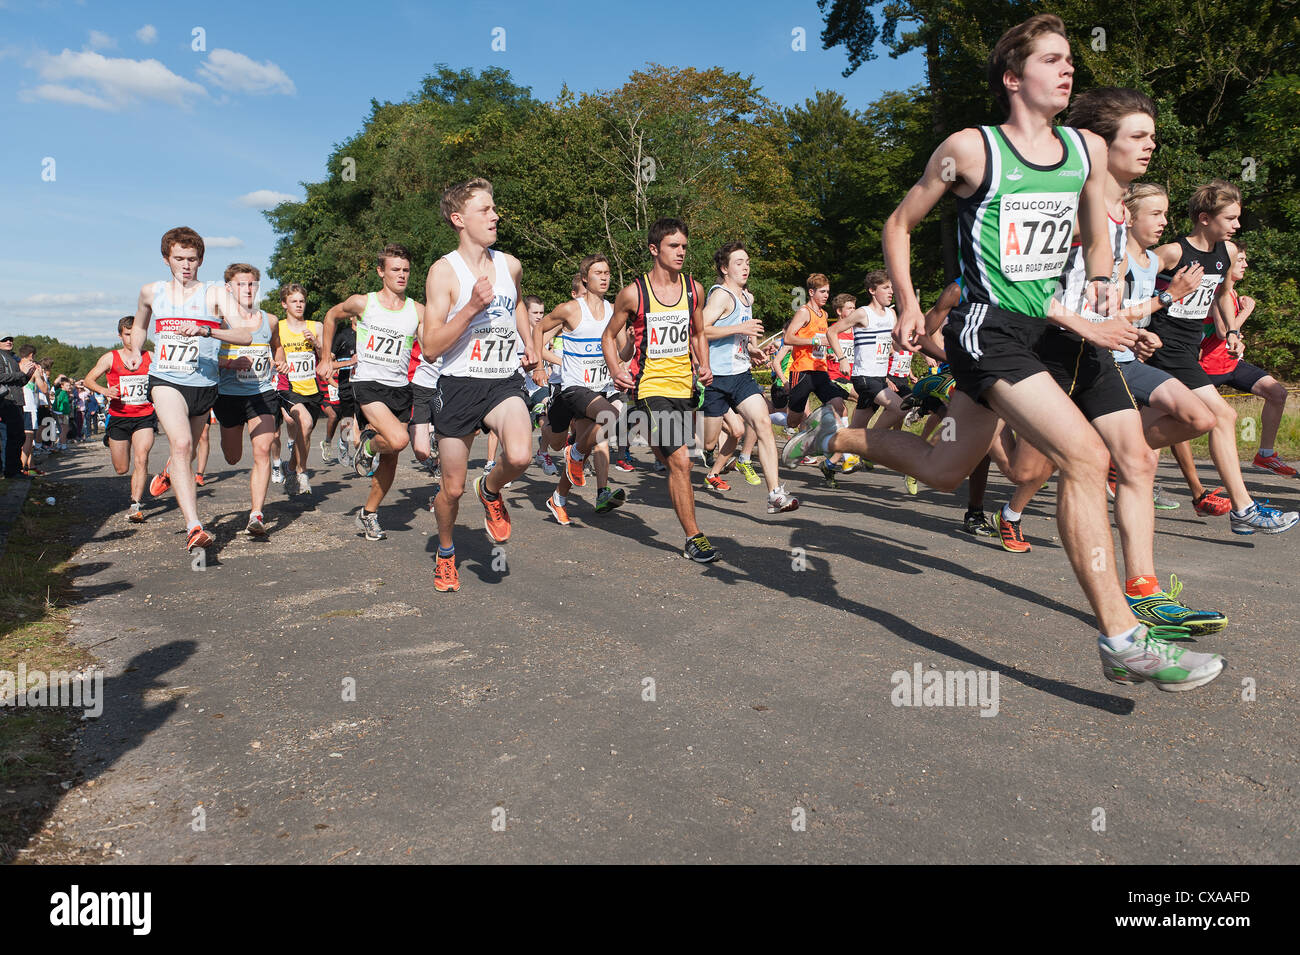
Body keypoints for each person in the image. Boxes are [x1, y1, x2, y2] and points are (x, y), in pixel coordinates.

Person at [786, 14, 1224, 690]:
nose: (1068, 68)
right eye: (1052, 59)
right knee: (1086, 457)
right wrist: (909, 304)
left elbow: (1096, 227)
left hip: (1052, 333)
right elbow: (899, 223)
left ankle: (834, 436)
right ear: (1013, 78)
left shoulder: (1084, 148)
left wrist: (1101, 282)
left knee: (944, 467)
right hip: (989, 330)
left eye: (1071, 58)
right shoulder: (971, 149)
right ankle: (1122, 639)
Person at [1144, 180, 1296, 533]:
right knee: (1224, 416)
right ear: (1204, 218)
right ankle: (1243, 509)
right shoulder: (1171, 253)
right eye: (1230, 218)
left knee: (1140, 428)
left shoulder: (1226, 252)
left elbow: (1224, 293)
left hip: (1189, 349)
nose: (1237, 226)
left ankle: (1103, 452)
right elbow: (1128, 280)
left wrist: (1232, 332)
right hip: (1165, 350)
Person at [421, 178, 534, 592]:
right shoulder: (443, 272)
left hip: (503, 380)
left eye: (494, 208)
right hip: (459, 385)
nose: (495, 216)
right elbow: (430, 347)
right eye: (485, 210)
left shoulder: (510, 264)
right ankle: (446, 552)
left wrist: (529, 342)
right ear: (458, 219)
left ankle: (489, 488)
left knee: (520, 455)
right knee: (450, 490)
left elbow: (517, 303)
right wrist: (470, 307)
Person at [126, 226, 253, 550]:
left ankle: (170, 471)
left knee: (190, 450)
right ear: (166, 258)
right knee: (181, 444)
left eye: (192, 259)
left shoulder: (214, 294)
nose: (185, 265)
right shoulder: (151, 292)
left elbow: (244, 335)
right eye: (179, 258)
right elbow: (140, 325)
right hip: (166, 379)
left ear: (201, 261)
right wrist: (136, 350)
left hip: (204, 383)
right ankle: (194, 526)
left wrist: (207, 332)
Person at [603, 217, 719, 562]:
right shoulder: (633, 293)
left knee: (674, 462)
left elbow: (698, 333)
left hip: (684, 387)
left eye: (684, 246)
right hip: (650, 387)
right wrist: (616, 369)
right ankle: (694, 538)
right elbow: (608, 335)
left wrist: (704, 363)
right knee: (681, 461)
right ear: (654, 249)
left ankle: (635, 429)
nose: (681, 252)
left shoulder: (693, 289)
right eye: (673, 246)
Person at [1169, 244, 1297, 492]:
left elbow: (1228, 335)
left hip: (1231, 364)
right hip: (1208, 369)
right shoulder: (1219, 292)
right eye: (1241, 260)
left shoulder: (1232, 293)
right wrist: (1247, 312)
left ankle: (1266, 454)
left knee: (1277, 393)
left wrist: (1238, 340)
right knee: (1183, 420)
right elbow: (1222, 331)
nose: (1245, 265)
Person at [320, 244, 424, 541]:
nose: (402, 275)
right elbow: (331, 316)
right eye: (395, 269)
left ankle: (369, 513)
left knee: (392, 454)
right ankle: (366, 448)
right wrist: (325, 357)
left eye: (406, 270)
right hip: (368, 383)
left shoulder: (418, 310)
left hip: (400, 388)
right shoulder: (363, 303)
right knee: (399, 440)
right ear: (381, 271)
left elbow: (432, 346)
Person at [698, 241, 798, 513]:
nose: (745, 267)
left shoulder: (746, 297)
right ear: (724, 268)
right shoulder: (721, 296)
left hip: (741, 376)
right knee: (708, 442)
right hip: (716, 379)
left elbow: (742, 335)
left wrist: (752, 349)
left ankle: (775, 494)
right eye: (739, 263)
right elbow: (701, 330)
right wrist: (739, 328)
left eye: (747, 262)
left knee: (763, 424)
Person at [531, 254, 630, 524]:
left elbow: (623, 353)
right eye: (598, 273)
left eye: (607, 272)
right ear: (585, 278)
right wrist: (539, 366)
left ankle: (559, 498)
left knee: (592, 441)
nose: (605, 277)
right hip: (574, 389)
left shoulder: (614, 311)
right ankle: (547, 425)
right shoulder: (571, 309)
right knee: (558, 442)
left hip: (602, 388)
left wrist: (632, 343)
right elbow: (538, 329)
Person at [212, 265, 281, 535]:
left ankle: (256, 515)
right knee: (232, 457)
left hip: (261, 393)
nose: (248, 289)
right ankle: (229, 441)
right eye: (241, 284)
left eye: (252, 284)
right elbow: (205, 357)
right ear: (229, 288)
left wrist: (280, 361)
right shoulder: (219, 322)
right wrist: (229, 363)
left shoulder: (270, 320)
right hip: (229, 396)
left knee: (263, 450)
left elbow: (277, 348)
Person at [84, 317, 157, 521]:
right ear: (120, 335)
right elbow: (88, 380)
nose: (132, 339)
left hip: (144, 416)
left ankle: (135, 505)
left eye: (136, 334)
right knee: (121, 468)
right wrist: (104, 390)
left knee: (141, 458)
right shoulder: (110, 358)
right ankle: (111, 439)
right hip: (119, 417)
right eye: (127, 334)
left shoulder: (151, 357)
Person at [275, 283, 325, 496]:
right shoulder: (277, 328)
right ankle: (302, 473)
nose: (298, 305)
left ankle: (290, 467)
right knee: (305, 422)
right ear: (284, 304)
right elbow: (270, 354)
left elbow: (326, 357)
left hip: (312, 389)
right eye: (293, 301)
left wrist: (316, 343)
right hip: (289, 387)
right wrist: (279, 363)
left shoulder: (316, 326)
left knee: (305, 433)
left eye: (302, 301)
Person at [0, 336, 34, 479]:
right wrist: (21, 373)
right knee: (11, 437)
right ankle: (10, 470)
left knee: (18, 436)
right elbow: (1, 377)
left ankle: (14, 469)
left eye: (10, 340)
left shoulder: (13, 358)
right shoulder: (1, 357)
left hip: (16, 401)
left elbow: (18, 382)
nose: (9, 342)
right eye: (4, 340)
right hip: (6, 401)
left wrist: (28, 375)